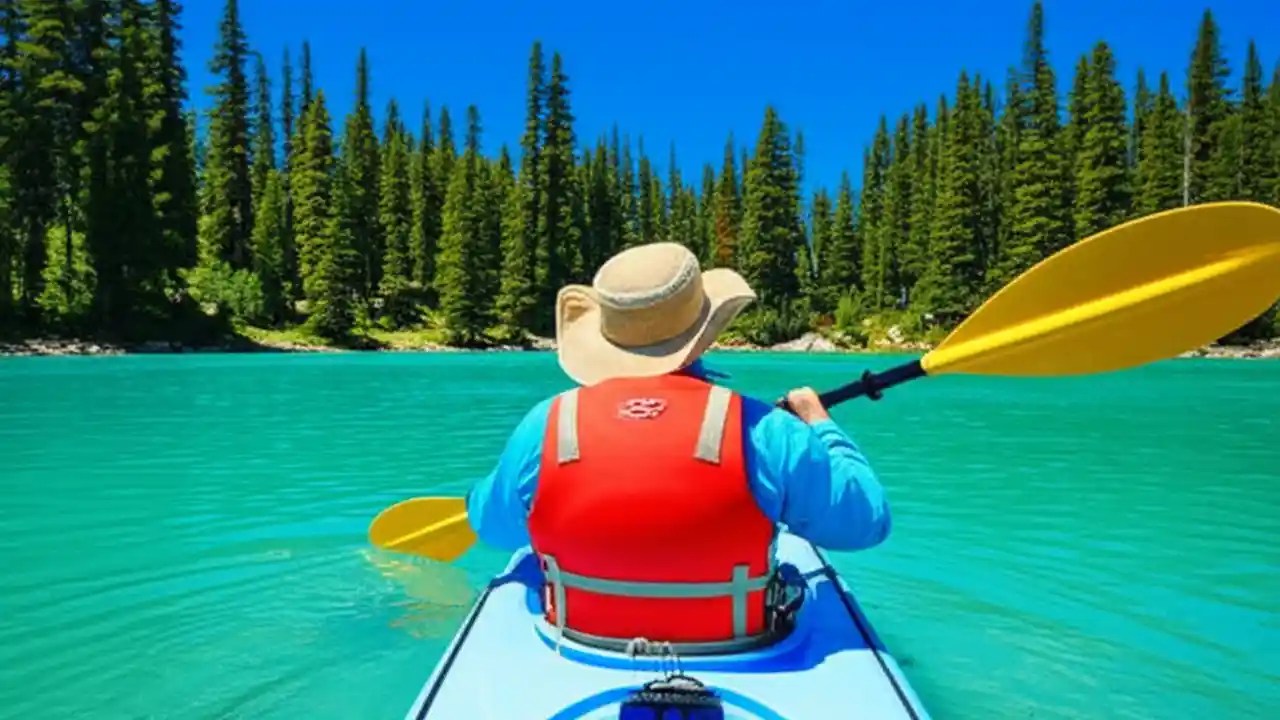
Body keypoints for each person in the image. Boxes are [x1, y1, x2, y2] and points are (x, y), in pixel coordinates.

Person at [465, 241, 891, 652]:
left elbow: (493, 527)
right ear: (703, 329)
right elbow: (865, 521)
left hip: (580, 641)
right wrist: (819, 422)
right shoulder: (769, 429)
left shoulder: (545, 425)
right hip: (742, 644)